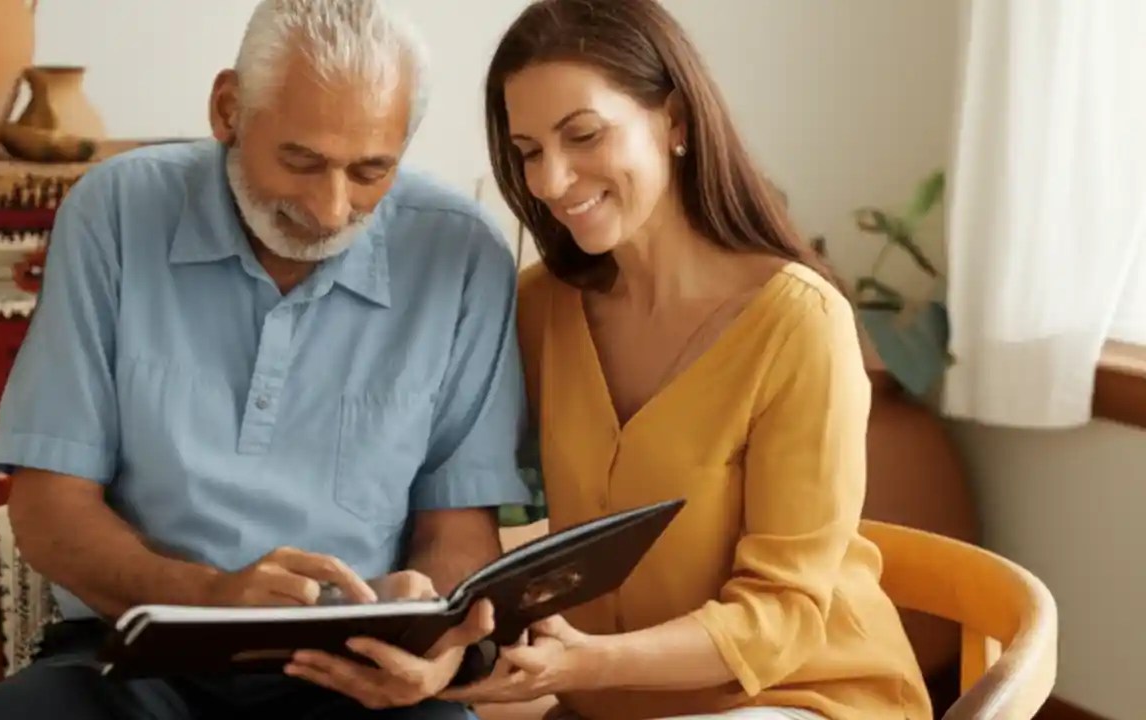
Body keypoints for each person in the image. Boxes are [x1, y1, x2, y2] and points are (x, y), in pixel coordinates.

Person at [283, 0, 937, 718]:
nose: (551, 181)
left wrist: (587, 664)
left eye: (583, 135)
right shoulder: (539, 309)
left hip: (806, 693)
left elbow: (782, 614)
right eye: (529, 150)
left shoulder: (799, 324)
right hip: (607, 703)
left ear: (676, 121)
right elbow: (444, 482)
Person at [0, 0, 531, 718]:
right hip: (136, 650)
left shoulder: (463, 254)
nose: (330, 209)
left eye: (370, 171)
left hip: (354, 673)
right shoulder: (114, 211)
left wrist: (430, 642)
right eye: (301, 160)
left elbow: (459, 532)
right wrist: (207, 596)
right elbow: (48, 509)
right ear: (227, 108)